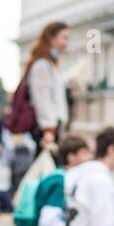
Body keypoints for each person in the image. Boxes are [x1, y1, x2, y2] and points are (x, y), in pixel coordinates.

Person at [26, 135, 90, 226]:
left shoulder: (58, 176)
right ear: (71, 157)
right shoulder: (61, 181)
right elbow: (49, 219)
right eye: (84, 153)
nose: (89, 157)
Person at [25, 21, 70, 149]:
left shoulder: (50, 64)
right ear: (52, 38)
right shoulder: (42, 65)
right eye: (64, 38)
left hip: (52, 128)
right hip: (48, 130)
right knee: (45, 167)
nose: (67, 43)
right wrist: (48, 129)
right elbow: (42, 97)